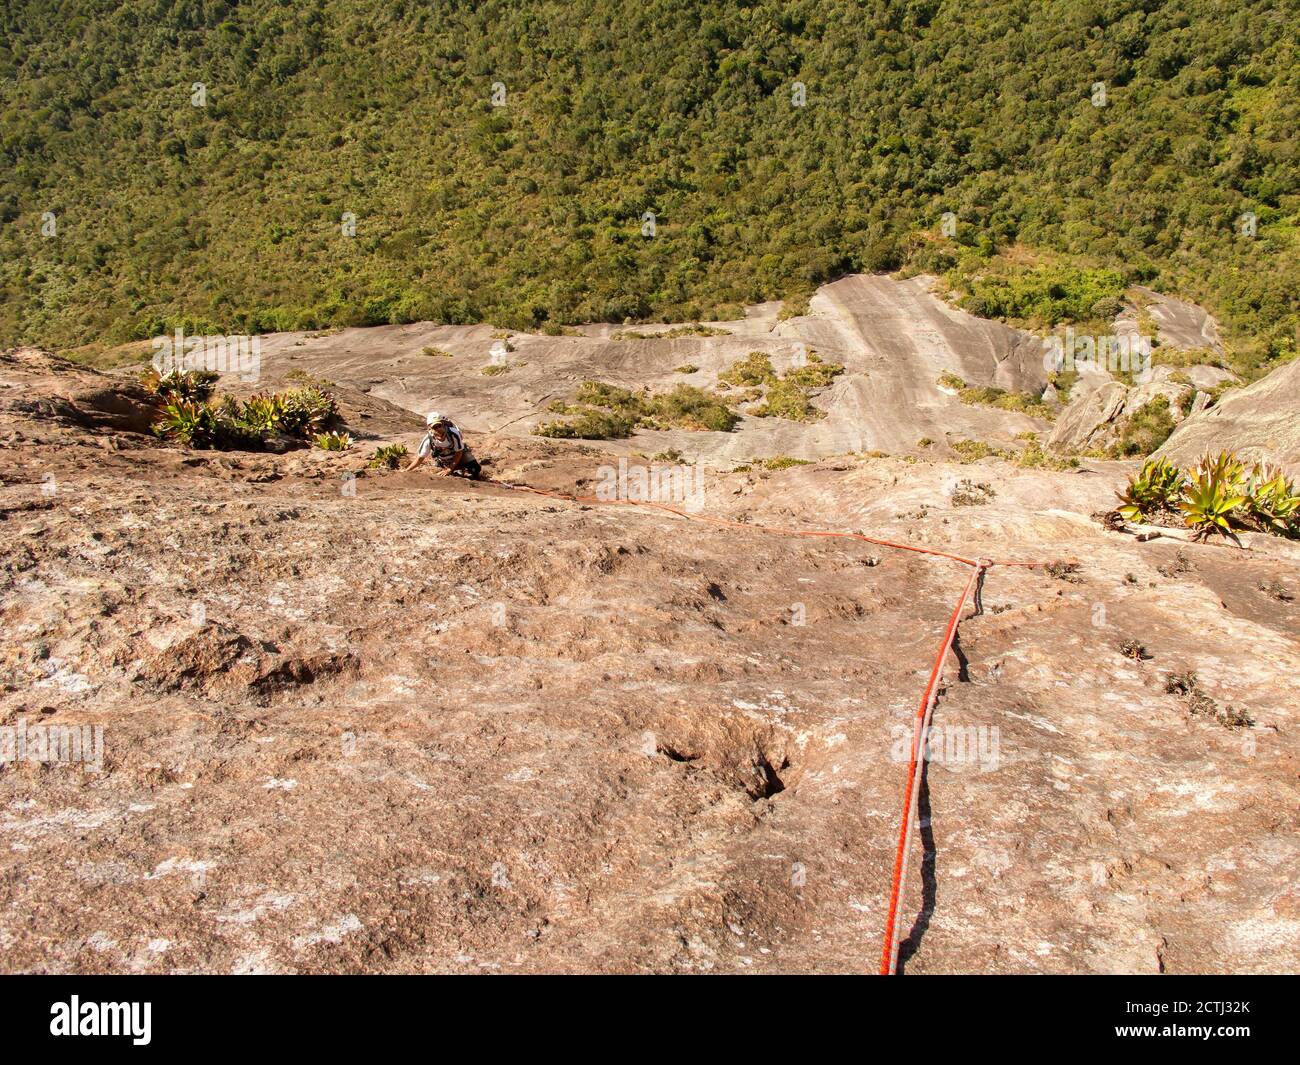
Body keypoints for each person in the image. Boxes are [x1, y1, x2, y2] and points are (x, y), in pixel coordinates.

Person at [405, 412, 482, 478]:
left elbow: (459, 452)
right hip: (443, 460)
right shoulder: (428, 440)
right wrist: (407, 471)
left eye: (439, 425)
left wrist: (449, 469)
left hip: (459, 455)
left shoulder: (453, 433)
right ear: (430, 429)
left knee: (475, 469)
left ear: (443, 424)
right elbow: (420, 458)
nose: (438, 429)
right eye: (435, 427)